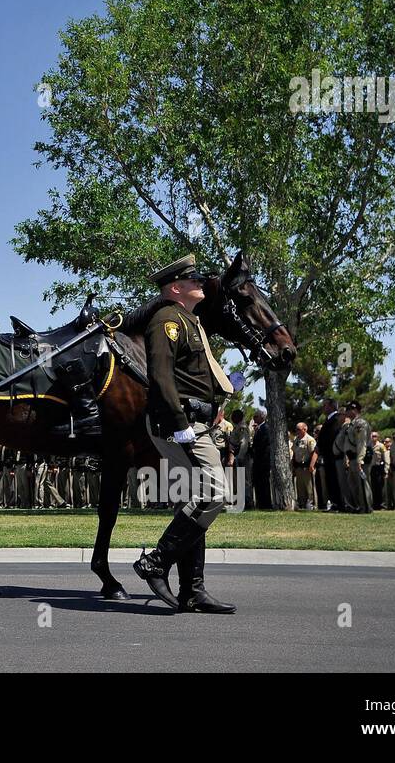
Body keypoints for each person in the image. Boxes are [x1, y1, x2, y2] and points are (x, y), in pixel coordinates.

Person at [132, 254, 244, 614]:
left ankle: (193, 591)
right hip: (180, 425)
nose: (200, 284)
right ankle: (156, 562)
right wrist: (180, 425)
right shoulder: (167, 320)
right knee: (216, 493)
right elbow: (161, 376)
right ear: (176, 288)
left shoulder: (189, 321)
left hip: (199, 423)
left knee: (193, 505)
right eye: (193, 280)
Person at [317, 399, 345, 511]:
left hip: (333, 455)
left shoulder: (337, 419)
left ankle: (339, 503)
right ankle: (334, 503)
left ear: (332, 407)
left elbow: (332, 437)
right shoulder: (328, 419)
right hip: (327, 456)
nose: (323, 407)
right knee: (330, 480)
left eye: (325, 405)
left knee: (335, 480)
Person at [291, 422, 317, 510]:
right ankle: (301, 503)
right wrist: (293, 466)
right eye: (296, 429)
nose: (297, 431)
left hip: (306, 466)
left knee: (309, 487)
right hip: (298, 467)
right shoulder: (296, 439)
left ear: (305, 429)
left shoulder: (310, 439)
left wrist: (311, 465)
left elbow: (314, 453)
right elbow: (294, 452)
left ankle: (311, 504)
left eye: (299, 429)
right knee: (299, 487)